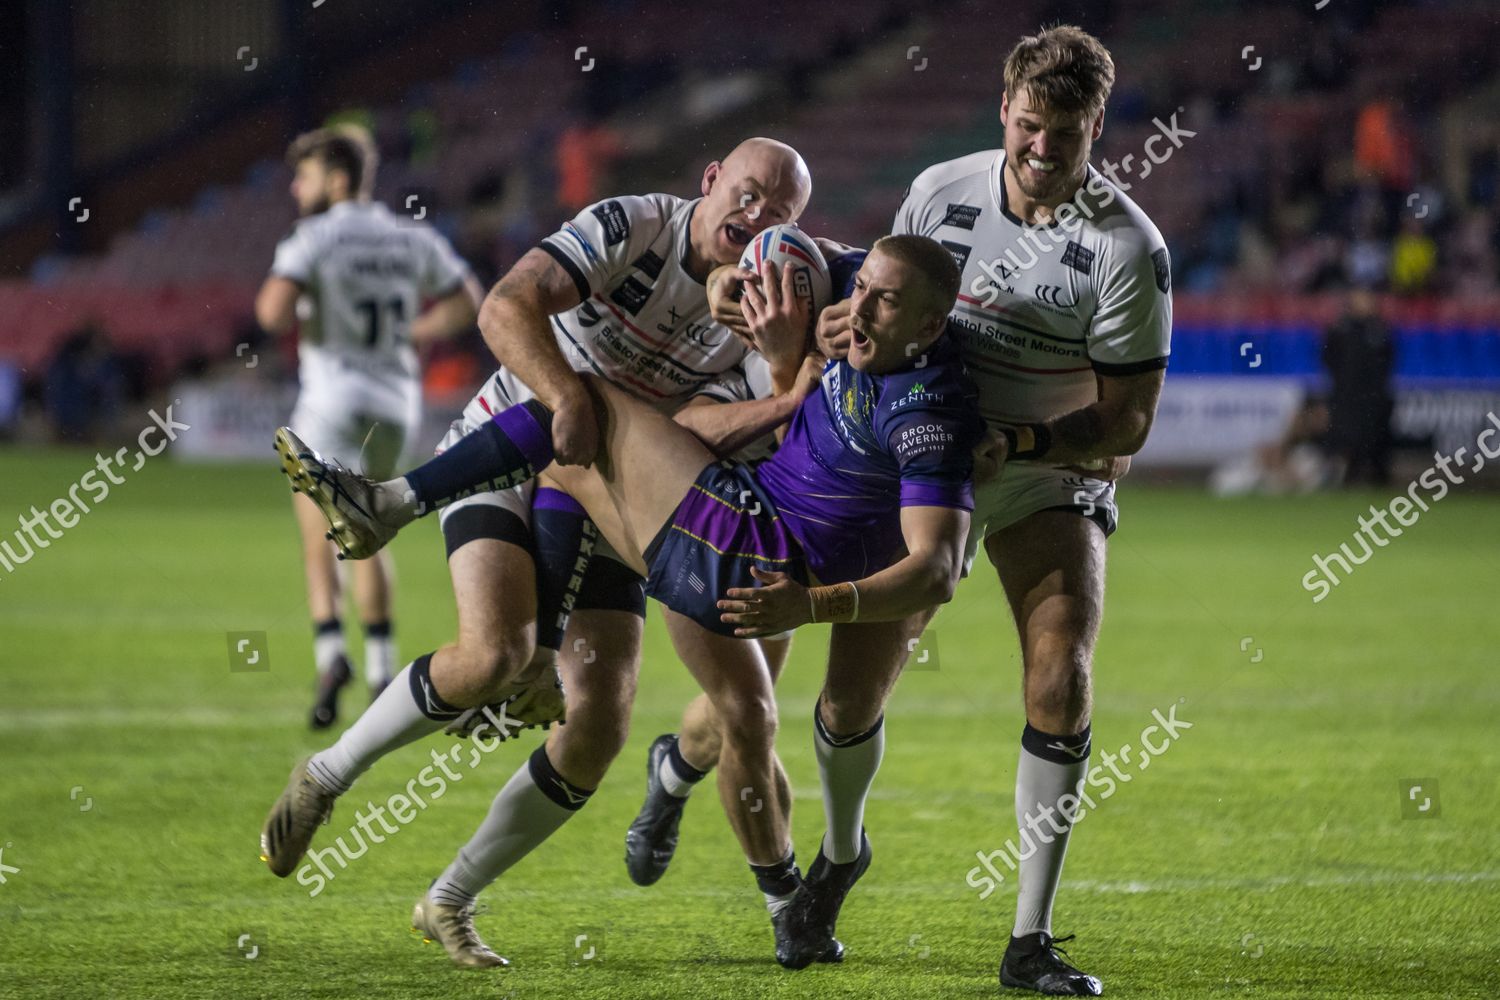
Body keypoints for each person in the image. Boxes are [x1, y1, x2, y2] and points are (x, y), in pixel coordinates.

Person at [271, 235, 985, 969]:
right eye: (854, 287)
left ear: (930, 326)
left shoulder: (922, 411)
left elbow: (937, 568)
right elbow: (553, 333)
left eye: (882, 299)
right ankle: (376, 760)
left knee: (586, 416)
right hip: (657, 499)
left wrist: (812, 601)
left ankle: (392, 508)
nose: (853, 306)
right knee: (537, 656)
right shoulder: (691, 246)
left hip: (730, 538)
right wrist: (777, 355)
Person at [637, 26, 1169, 997]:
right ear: (1004, 111)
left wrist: (1029, 445)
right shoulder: (942, 189)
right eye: (1027, 127)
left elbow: (1127, 419)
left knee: (1060, 675)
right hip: (915, 463)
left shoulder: (1128, 249)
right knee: (843, 705)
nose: (1043, 152)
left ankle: (1031, 942)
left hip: (1043, 473)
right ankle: (838, 853)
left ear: (1098, 127)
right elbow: (883, 281)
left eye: (1067, 135)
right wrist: (840, 315)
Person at [259, 138, 815, 965]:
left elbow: (696, 434)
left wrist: (783, 370)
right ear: (710, 182)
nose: (755, 216)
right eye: (746, 193)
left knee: (595, 724)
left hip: (602, 493)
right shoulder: (634, 225)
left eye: (779, 213)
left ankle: (448, 900)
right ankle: (325, 778)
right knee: (496, 652)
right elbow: (502, 309)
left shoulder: (762, 316)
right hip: (504, 442)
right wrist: (564, 396)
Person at [254, 123, 483, 727]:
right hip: (394, 406)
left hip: (332, 399)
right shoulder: (408, 236)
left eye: (304, 178)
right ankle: (383, 667)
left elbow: (273, 311)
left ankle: (332, 654)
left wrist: (299, 302)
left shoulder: (315, 235)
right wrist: (418, 332)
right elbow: (469, 301)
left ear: (335, 179)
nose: (297, 190)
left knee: (319, 532)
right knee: (371, 526)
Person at [1322, 286, 1394, 487]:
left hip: (1373, 397)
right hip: (1346, 395)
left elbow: (1388, 359)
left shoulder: (1379, 330)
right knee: (1344, 438)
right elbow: (1328, 357)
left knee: (1373, 439)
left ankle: (1377, 479)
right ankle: (1343, 478)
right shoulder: (1340, 329)